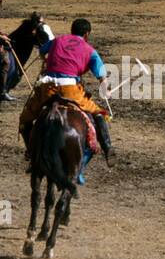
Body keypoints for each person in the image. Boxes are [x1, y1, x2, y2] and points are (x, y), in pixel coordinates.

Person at [18, 18, 112, 179]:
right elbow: (102, 76)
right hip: (70, 90)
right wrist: (106, 91)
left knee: (25, 119)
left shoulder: (57, 40)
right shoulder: (90, 50)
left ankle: (32, 154)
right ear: (87, 34)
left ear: (71, 30)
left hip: (47, 88)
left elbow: (42, 52)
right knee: (98, 113)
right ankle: (108, 151)